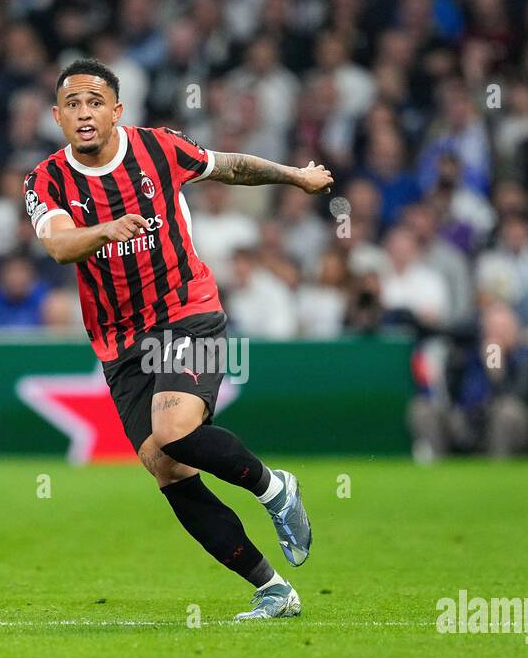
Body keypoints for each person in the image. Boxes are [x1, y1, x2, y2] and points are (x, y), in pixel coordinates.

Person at [23, 59, 331, 620]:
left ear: (117, 111)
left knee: (174, 430)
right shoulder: (44, 180)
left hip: (188, 311)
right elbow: (59, 247)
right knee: (165, 467)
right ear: (57, 116)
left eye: (96, 102)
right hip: (119, 343)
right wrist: (105, 230)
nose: (84, 113)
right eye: (73, 104)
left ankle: (274, 488)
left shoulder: (159, 148)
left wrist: (295, 175)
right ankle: (272, 589)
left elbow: (230, 168)